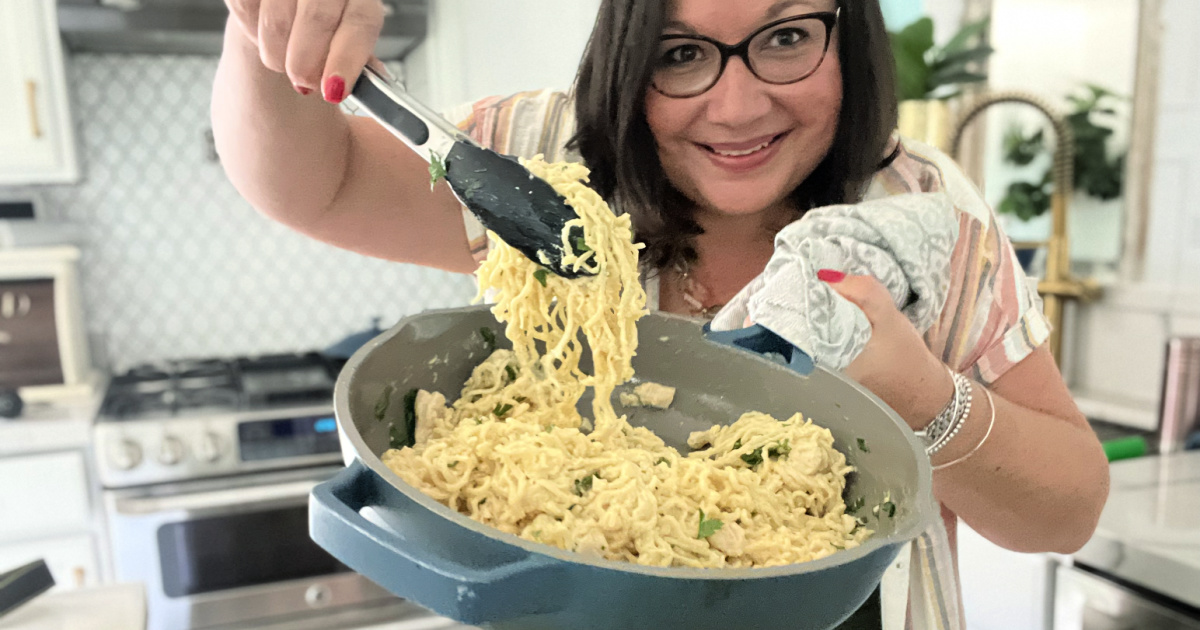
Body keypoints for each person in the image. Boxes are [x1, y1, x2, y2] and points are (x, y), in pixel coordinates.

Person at [212, 0, 1110, 625]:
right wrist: (261, 31)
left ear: (850, 36)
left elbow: (1066, 512)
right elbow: (309, 183)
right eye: (680, 54)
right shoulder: (540, 158)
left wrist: (926, 403)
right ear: (628, 57)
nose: (737, 104)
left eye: (788, 37)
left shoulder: (922, 212)